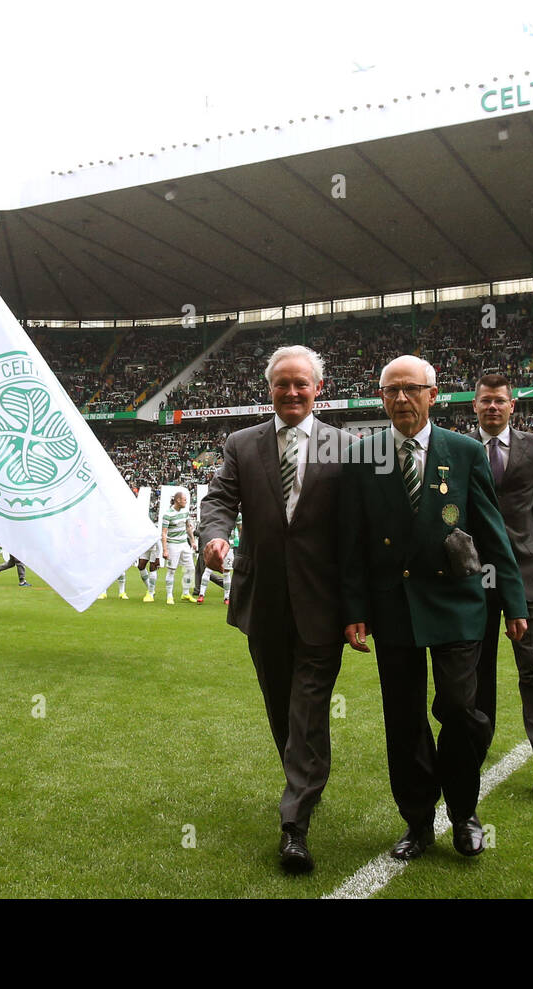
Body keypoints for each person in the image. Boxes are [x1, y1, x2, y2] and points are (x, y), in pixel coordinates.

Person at [340, 355, 528, 862]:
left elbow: (493, 533)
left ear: (433, 392)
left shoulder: (465, 452)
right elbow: (353, 544)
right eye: (391, 391)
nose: (401, 399)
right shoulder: (364, 455)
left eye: (411, 389)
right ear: (381, 397)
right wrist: (354, 609)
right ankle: (419, 821)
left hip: (457, 605)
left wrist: (513, 601)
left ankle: (464, 813)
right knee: (403, 720)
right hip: (393, 607)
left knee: (462, 712)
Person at [198, 345, 347, 874]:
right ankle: (306, 777)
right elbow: (219, 501)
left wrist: (358, 607)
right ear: (270, 389)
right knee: (282, 708)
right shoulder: (242, 443)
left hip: (321, 608)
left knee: (307, 709)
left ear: (317, 388)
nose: (290, 391)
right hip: (262, 603)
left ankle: (294, 826)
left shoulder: (346, 448)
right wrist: (216, 537)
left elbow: (356, 535)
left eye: (300, 383)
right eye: (281, 383)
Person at [469, 373, 533, 793]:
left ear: (512, 406)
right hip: (474, 576)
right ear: (474, 405)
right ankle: (475, 743)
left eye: (500, 401)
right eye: (486, 401)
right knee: (476, 668)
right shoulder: (459, 449)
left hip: (525, 574)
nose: (493, 407)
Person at [160, 490, 197, 605]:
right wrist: (165, 549)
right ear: (178, 500)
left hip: (184, 544)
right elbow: (164, 533)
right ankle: (169, 595)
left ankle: (185, 593)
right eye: (184, 499)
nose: (186, 501)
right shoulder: (167, 514)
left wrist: (193, 541)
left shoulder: (185, 512)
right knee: (172, 570)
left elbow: (188, 528)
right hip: (173, 545)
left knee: (190, 569)